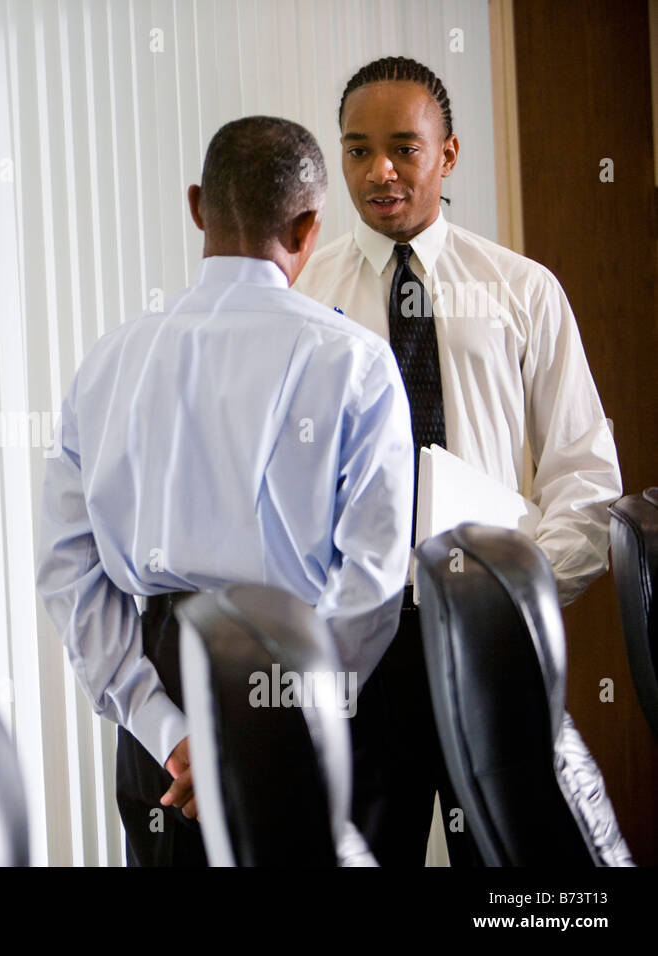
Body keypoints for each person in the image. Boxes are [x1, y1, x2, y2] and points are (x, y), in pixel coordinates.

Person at [35, 116, 416, 866]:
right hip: (306, 689)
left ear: (197, 207)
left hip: (159, 703)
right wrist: (277, 732)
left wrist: (167, 732)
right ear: (309, 225)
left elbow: (66, 569)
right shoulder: (358, 364)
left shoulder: (112, 360)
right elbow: (371, 582)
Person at [294, 56, 626, 866]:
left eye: (405, 148)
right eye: (358, 149)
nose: (381, 171)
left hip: (493, 640)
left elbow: (587, 477)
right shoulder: (302, 300)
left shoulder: (523, 291)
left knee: (510, 868)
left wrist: (515, 594)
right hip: (359, 649)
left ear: (448, 154)